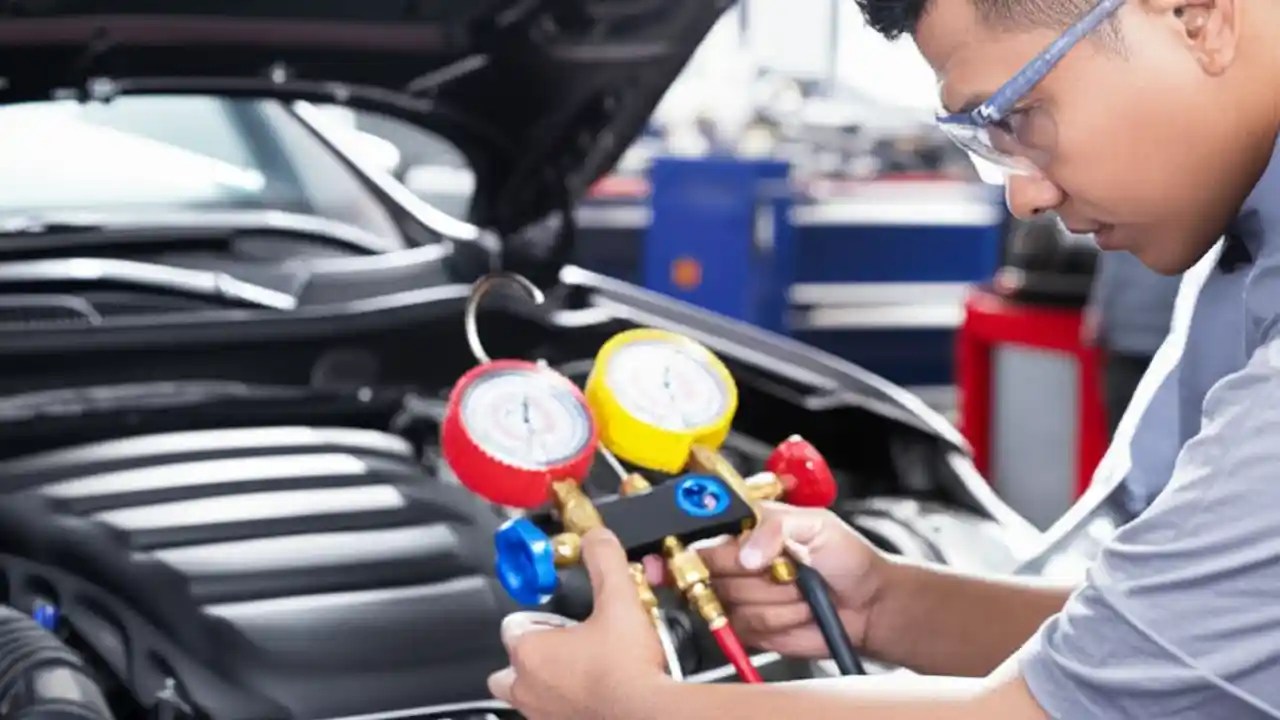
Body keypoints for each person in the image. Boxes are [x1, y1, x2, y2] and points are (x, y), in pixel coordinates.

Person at [485, 0, 1280, 715]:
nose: (1023, 196)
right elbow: (1169, 642)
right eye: (987, 142)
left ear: (1195, 15)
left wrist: (633, 709)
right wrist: (887, 606)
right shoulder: (1242, 254)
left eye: (1020, 115)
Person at [1082, 249, 1180, 437]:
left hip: (1129, 341)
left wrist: (1095, 314)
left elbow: (1108, 274)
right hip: (1160, 342)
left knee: (1124, 431)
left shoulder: (1118, 226)